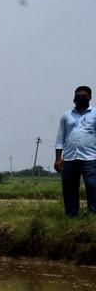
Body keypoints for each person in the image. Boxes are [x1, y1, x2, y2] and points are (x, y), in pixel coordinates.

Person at [53, 86, 96, 218]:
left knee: (93, 186)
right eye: (78, 96)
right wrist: (58, 159)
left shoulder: (95, 113)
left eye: (83, 96)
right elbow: (60, 137)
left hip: (91, 158)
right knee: (69, 189)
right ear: (74, 97)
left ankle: (93, 217)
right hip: (70, 158)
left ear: (90, 97)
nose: (80, 98)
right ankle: (72, 216)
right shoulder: (67, 115)